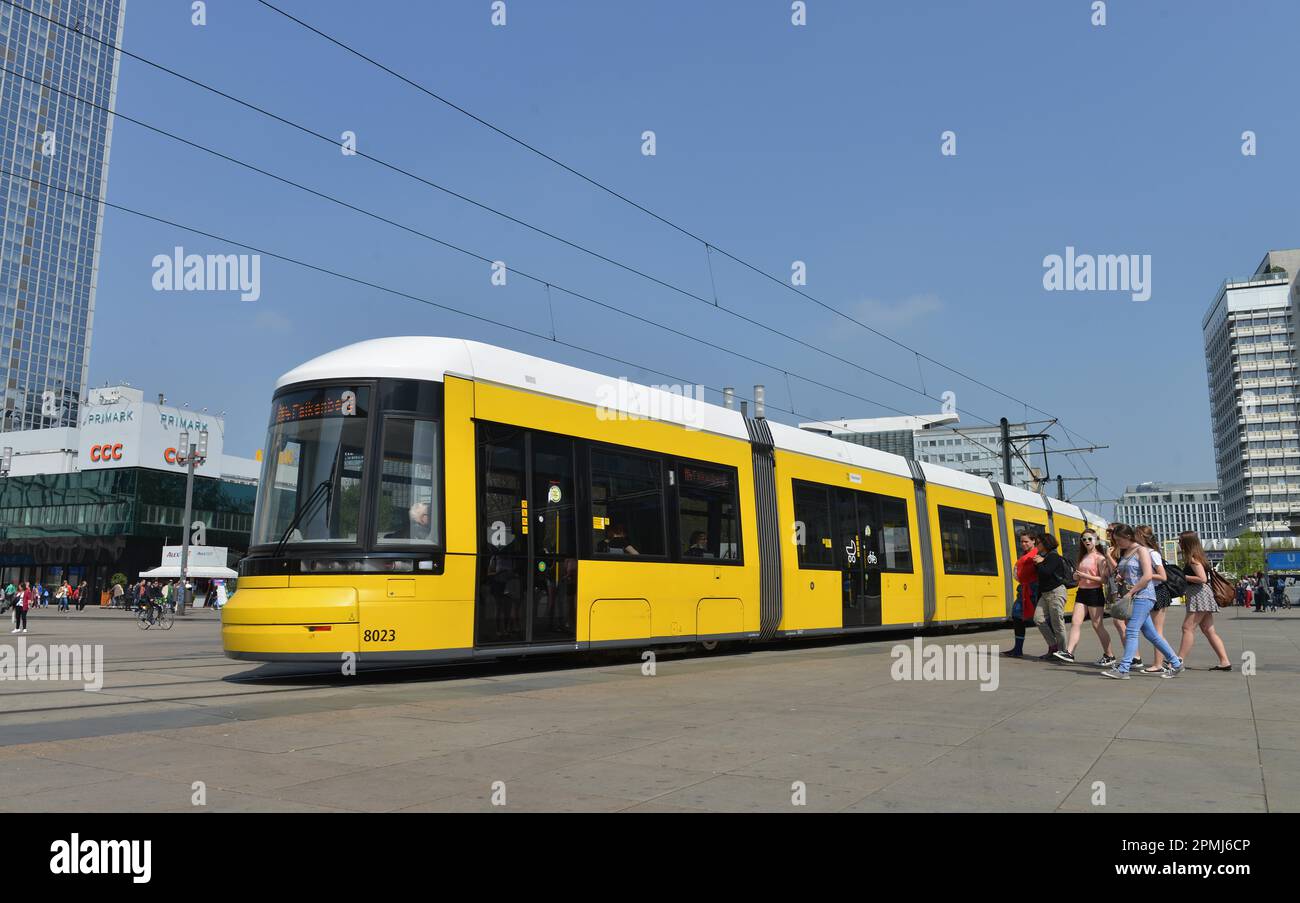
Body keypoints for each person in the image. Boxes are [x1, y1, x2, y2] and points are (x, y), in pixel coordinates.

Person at [1102, 524, 1184, 680]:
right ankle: (1176, 663)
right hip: (1134, 596)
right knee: (1151, 634)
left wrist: (1131, 592)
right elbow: (1129, 573)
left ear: (1127, 537)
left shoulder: (1142, 551)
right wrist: (1122, 577)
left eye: (1119, 540)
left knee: (1132, 631)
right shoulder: (1128, 552)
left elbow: (1147, 576)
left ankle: (1124, 668)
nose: (1117, 544)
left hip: (1143, 596)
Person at [1055, 529, 1115, 665]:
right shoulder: (1082, 557)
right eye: (1084, 539)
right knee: (1075, 622)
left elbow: (1104, 580)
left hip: (1094, 592)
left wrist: (1084, 576)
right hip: (1081, 591)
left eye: (1089, 539)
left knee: (1097, 625)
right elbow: (1079, 576)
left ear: (1096, 540)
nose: (1086, 541)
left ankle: (1109, 655)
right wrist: (1076, 577)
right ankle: (1069, 652)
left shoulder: (1100, 558)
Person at [1174, 531, 1232, 671]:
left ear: (1187, 543)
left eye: (1180, 541)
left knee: (1187, 628)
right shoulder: (1198, 557)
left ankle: (1177, 661)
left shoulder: (1193, 559)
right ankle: (1224, 661)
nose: (1179, 544)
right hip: (1201, 594)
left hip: (1199, 594)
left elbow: (1202, 579)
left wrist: (1183, 576)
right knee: (1208, 630)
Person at [1136, 525, 1172, 674]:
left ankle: (1159, 664)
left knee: (1156, 631)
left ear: (1142, 537)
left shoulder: (1152, 553)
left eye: (1135, 536)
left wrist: (1145, 575)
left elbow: (1163, 576)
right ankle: (1169, 659)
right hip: (1151, 592)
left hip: (1158, 592)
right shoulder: (1144, 552)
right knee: (1153, 631)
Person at [1032, 532, 1070, 660]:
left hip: (1056, 592)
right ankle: (1053, 646)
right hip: (1045, 594)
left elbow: (1046, 572)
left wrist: (1039, 563)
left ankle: (1063, 651)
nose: (1037, 545)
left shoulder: (1053, 557)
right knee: (1038, 618)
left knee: (1057, 623)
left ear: (1045, 543)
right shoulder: (1044, 557)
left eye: (1038, 543)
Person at [1002, 531, 1038, 657]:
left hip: (1034, 590)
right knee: (1017, 616)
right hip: (1023, 590)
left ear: (1033, 541)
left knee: (1043, 620)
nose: (1023, 544)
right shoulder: (1025, 555)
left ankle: (1055, 648)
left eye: (1026, 541)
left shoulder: (1037, 554)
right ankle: (1018, 649)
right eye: (1021, 541)